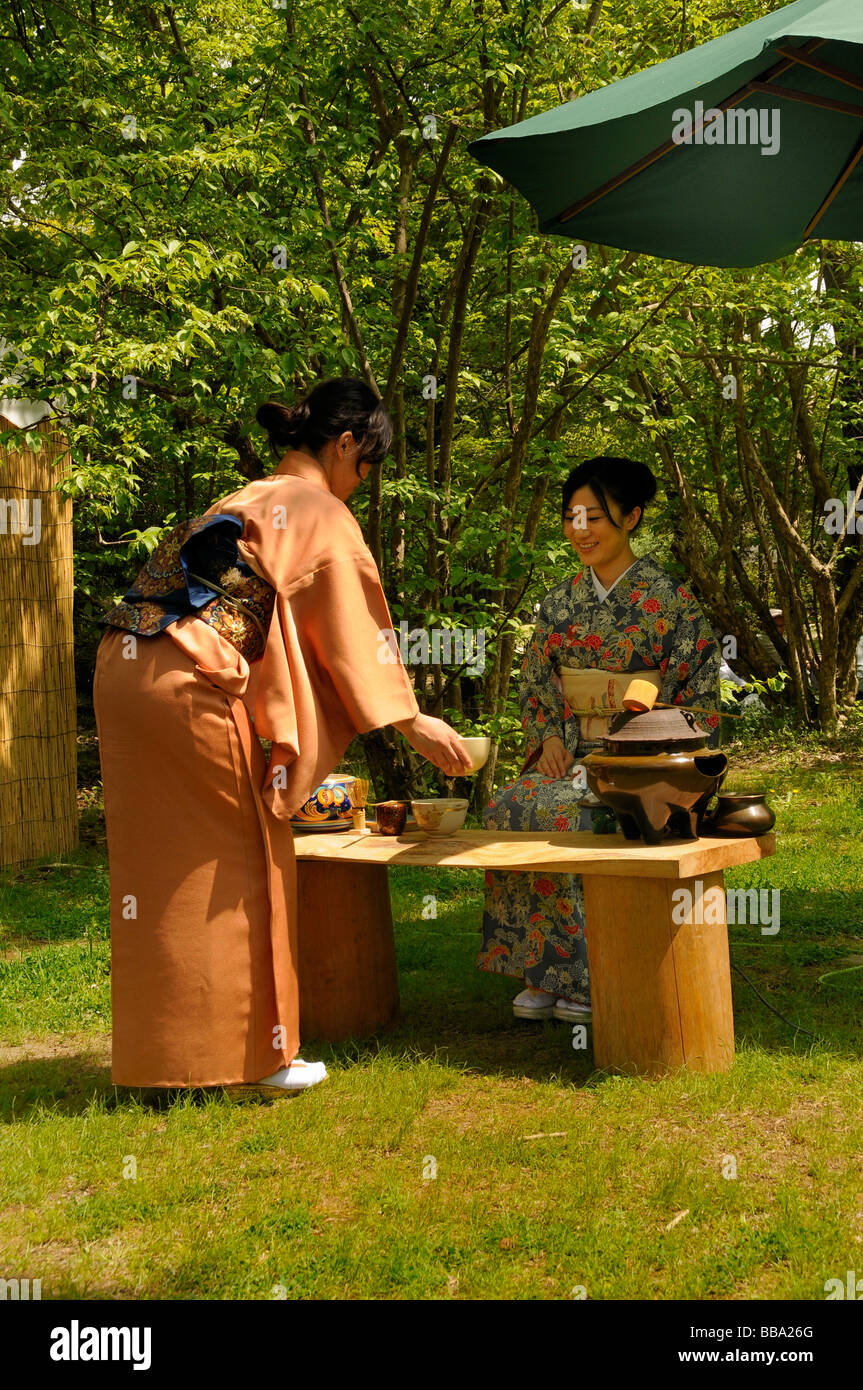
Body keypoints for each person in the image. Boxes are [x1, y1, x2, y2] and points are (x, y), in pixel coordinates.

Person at [93, 377, 470, 1094]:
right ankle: (261, 1057)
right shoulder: (318, 508)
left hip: (124, 664)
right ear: (345, 443)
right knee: (245, 857)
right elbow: (348, 631)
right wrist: (413, 721)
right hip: (186, 677)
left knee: (158, 869)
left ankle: (160, 1057)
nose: (360, 485)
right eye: (365, 467)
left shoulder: (240, 498)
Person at [477, 456, 720, 1023]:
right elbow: (539, 684)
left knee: (574, 816)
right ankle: (540, 967)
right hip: (572, 754)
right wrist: (545, 741)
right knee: (508, 805)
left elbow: (697, 700)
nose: (579, 529)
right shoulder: (558, 605)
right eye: (570, 516)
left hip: (641, 764)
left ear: (632, 517)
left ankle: (588, 976)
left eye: (594, 516)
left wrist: (632, 750)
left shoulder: (672, 602)